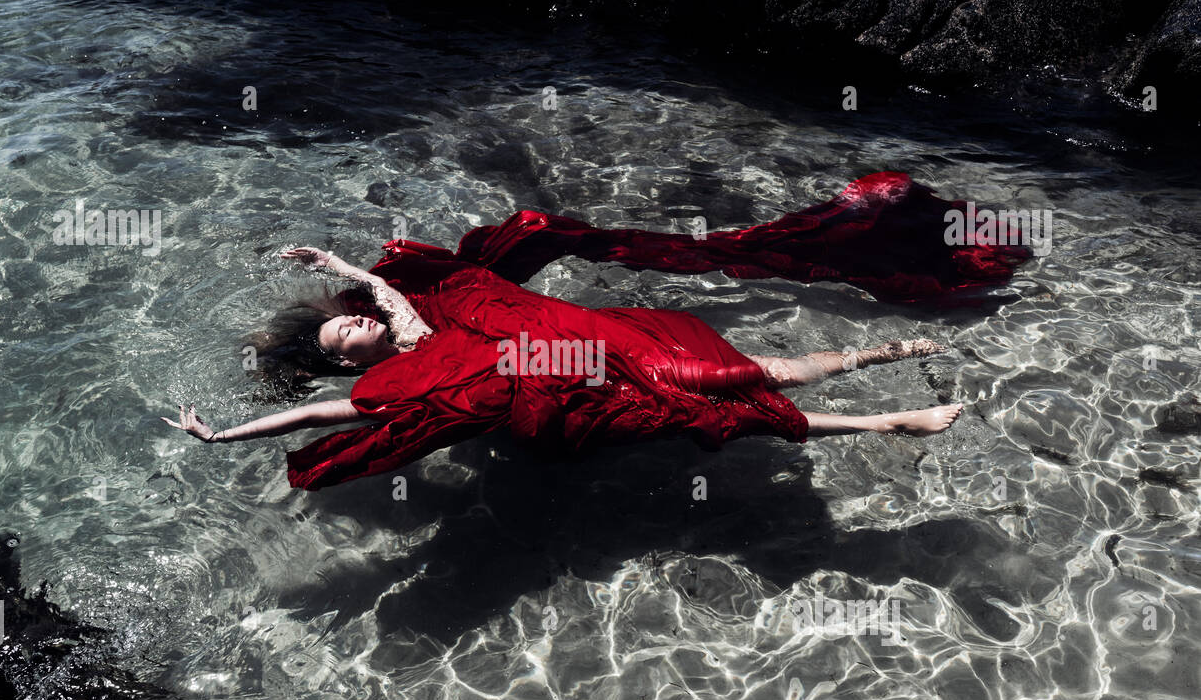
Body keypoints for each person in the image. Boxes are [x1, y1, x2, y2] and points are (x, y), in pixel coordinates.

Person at [163, 172, 1027, 489]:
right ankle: (882, 419)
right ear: (345, 363)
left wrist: (333, 267)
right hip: (562, 392)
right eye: (338, 344)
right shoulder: (386, 385)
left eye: (342, 327)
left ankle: (876, 353)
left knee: (752, 368)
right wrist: (221, 433)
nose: (349, 330)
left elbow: (374, 283)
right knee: (722, 398)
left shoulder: (406, 315)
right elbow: (315, 419)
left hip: (573, 343)